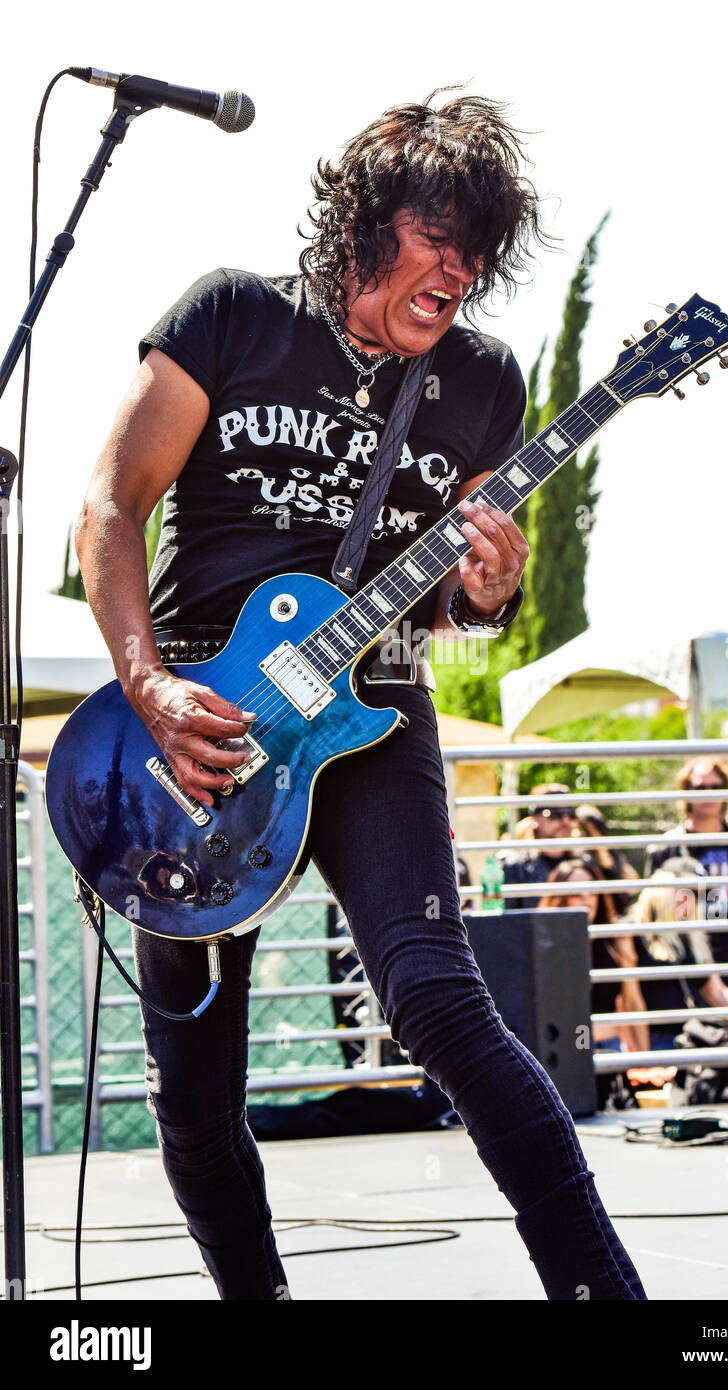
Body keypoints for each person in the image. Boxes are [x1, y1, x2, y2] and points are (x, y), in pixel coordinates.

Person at [73, 90, 645, 1301]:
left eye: (479, 250)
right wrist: (152, 687)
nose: (464, 267)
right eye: (442, 233)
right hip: (199, 723)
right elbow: (110, 507)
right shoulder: (231, 316)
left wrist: (491, 588)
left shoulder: (482, 380)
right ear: (367, 222)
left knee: (441, 997)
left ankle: (605, 1292)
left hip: (371, 707)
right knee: (194, 1091)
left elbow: (462, 592)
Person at [644, 756, 728, 1005]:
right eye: (700, 787)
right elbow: (651, 910)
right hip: (688, 967)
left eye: (716, 787)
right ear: (686, 793)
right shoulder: (666, 847)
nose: (709, 793)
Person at [539, 856, 648, 1110]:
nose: (586, 897)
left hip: (609, 1047)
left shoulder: (613, 939)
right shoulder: (546, 944)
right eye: (577, 892)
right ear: (560, 898)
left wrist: (644, 1058)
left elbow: (632, 1001)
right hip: (562, 1050)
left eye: (592, 890)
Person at [629, 859, 728, 1053]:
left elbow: (717, 992)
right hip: (655, 1040)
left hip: (693, 1035)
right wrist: (642, 1057)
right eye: (686, 892)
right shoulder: (632, 933)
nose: (692, 900)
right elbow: (630, 1002)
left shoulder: (690, 935)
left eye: (697, 894)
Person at [500, 782, 580, 909]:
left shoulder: (584, 863)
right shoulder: (516, 867)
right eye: (555, 814)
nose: (566, 821)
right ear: (535, 819)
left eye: (571, 814)